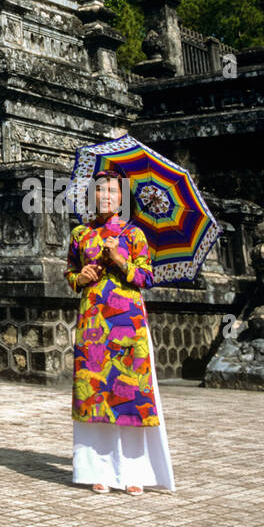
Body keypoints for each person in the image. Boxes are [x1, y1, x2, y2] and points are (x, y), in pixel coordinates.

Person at [66, 171, 175, 495]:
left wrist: (119, 259)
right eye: (99, 190)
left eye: (112, 190)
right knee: (95, 392)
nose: (106, 196)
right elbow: (70, 273)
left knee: (130, 395)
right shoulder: (81, 234)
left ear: (121, 197)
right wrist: (81, 278)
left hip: (127, 325)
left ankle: (133, 473)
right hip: (94, 324)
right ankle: (97, 470)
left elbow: (145, 277)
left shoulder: (134, 235)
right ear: (92, 196)